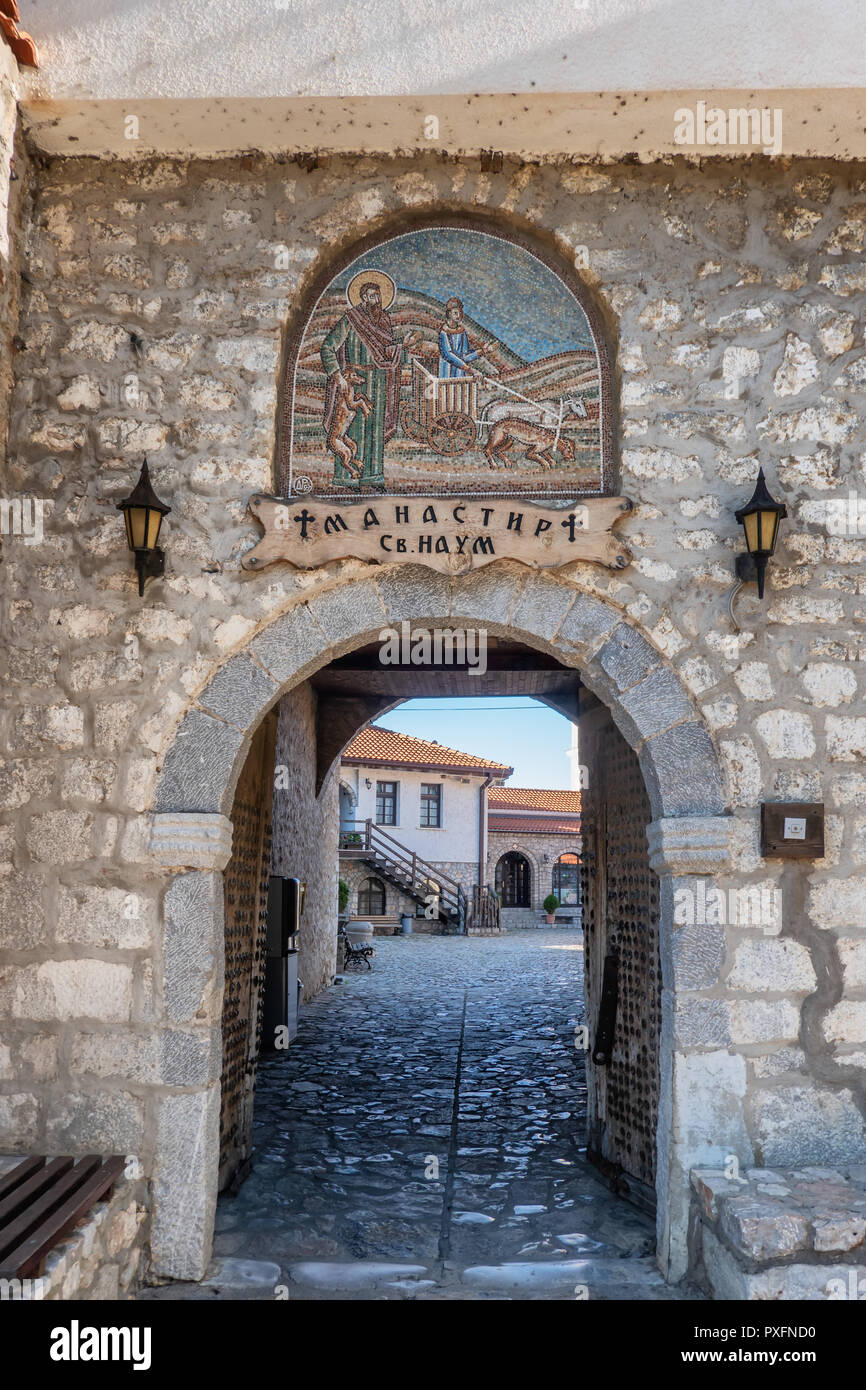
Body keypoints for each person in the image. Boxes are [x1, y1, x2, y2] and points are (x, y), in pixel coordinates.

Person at [321, 271, 417, 489]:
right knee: (349, 428)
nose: (377, 300)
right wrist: (338, 376)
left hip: (378, 382)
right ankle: (347, 478)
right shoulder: (351, 319)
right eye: (372, 296)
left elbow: (386, 352)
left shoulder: (384, 320)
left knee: (374, 431)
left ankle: (374, 477)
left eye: (379, 296)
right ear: (363, 298)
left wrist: (404, 347)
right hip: (354, 380)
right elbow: (327, 347)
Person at [437, 296, 496, 379]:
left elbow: (465, 355)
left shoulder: (461, 331)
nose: (459, 315)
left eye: (460, 313)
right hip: (447, 373)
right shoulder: (444, 332)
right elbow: (448, 355)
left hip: (460, 374)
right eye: (455, 313)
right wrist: (469, 369)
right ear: (449, 313)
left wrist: (483, 351)